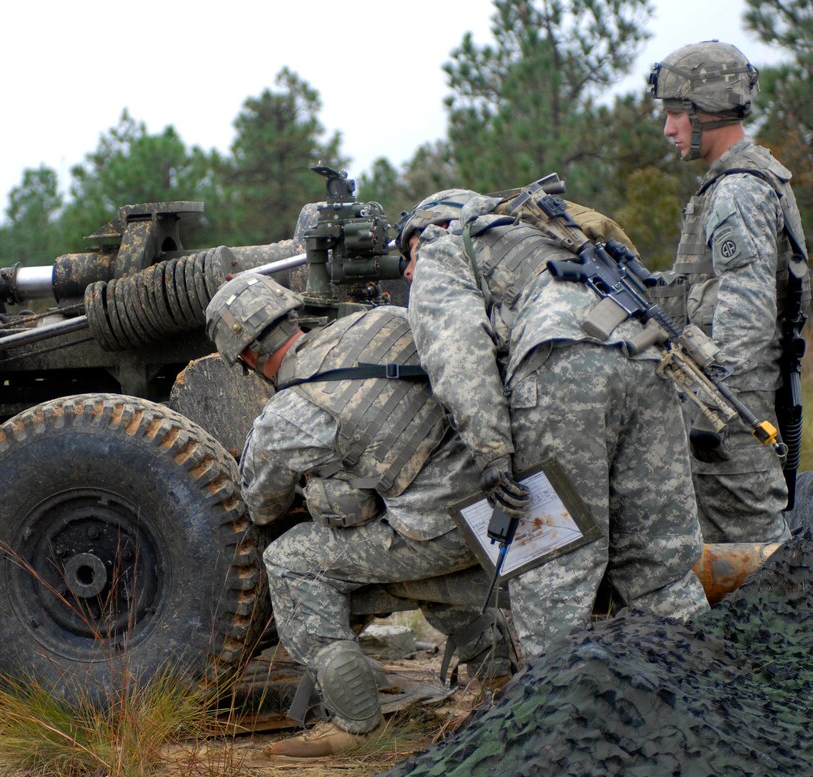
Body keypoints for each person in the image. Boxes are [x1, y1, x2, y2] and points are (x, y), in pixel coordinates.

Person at [205, 274, 512, 758]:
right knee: (402, 527)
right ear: (292, 316)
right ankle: (501, 673)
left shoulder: (284, 417)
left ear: (246, 359)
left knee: (293, 558)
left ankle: (354, 723)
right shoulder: (388, 321)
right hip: (503, 497)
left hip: (443, 532)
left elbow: (262, 506)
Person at [403, 187, 710, 660]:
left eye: (408, 251)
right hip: (646, 359)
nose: (408, 269)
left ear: (432, 229)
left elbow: (458, 351)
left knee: (555, 579)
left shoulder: (445, 250)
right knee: (660, 568)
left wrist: (492, 454)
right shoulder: (551, 235)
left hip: (558, 365)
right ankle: (699, 697)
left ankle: (559, 723)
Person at [648, 40, 809, 543]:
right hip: (731, 404)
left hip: (731, 414)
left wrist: (714, 415)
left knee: (756, 560)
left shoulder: (738, 190)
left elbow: (745, 320)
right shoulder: (744, 180)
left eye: (676, 113)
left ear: (707, 112)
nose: (669, 128)